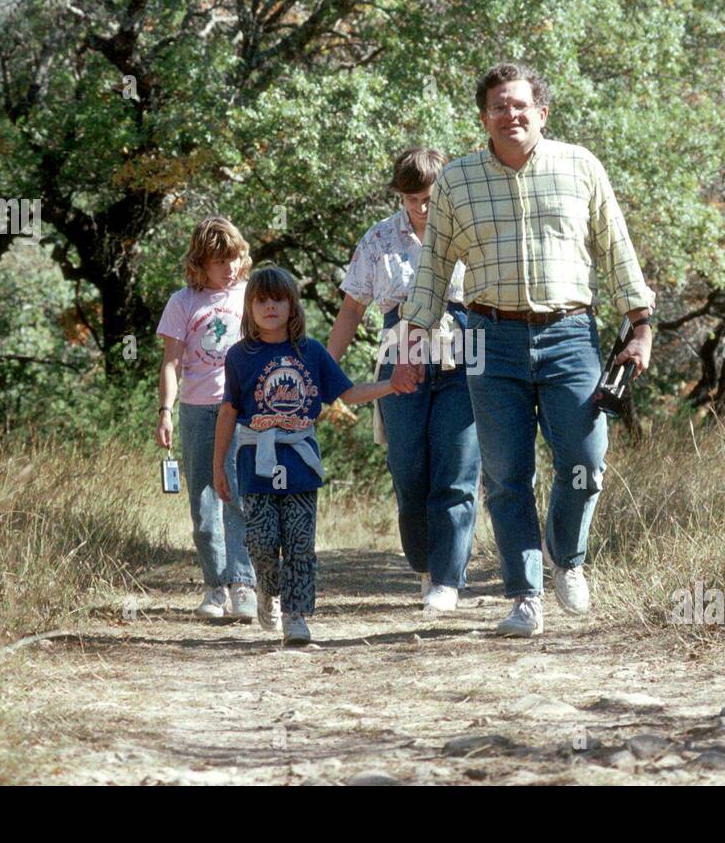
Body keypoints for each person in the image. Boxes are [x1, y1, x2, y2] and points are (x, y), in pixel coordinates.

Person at [399, 61, 656, 638]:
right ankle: (525, 596)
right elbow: (433, 270)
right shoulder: (458, 182)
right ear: (484, 117)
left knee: (586, 462)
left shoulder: (580, 165)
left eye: (520, 106)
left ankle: (566, 555)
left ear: (541, 112)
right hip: (489, 338)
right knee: (507, 475)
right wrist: (411, 345)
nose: (509, 115)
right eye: (498, 107)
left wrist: (640, 324)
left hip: (570, 334)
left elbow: (617, 248)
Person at [214, 265, 419, 646]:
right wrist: (218, 467)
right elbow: (228, 411)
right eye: (261, 300)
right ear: (249, 308)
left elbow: (346, 393)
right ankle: (268, 590)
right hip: (256, 462)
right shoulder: (240, 355)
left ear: (293, 305)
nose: (270, 306)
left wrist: (392, 384)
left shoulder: (311, 351)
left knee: (299, 543)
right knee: (260, 540)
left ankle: (296, 615)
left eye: (278, 299)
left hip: (301, 462)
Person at [327, 148, 480, 612]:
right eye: (414, 198)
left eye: (431, 197)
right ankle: (426, 567)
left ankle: (448, 578)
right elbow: (353, 308)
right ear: (401, 196)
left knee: (456, 471)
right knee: (409, 472)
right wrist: (325, 373)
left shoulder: (470, 234)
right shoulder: (378, 240)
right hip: (401, 364)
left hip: (463, 359)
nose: (423, 207)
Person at [155, 217, 258, 622]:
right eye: (219, 261)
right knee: (203, 502)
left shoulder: (251, 296)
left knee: (238, 494)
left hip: (242, 408)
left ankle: (243, 584)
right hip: (198, 410)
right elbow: (171, 363)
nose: (229, 268)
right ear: (200, 263)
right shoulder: (183, 302)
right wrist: (165, 411)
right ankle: (215, 588)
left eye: (233, 258)